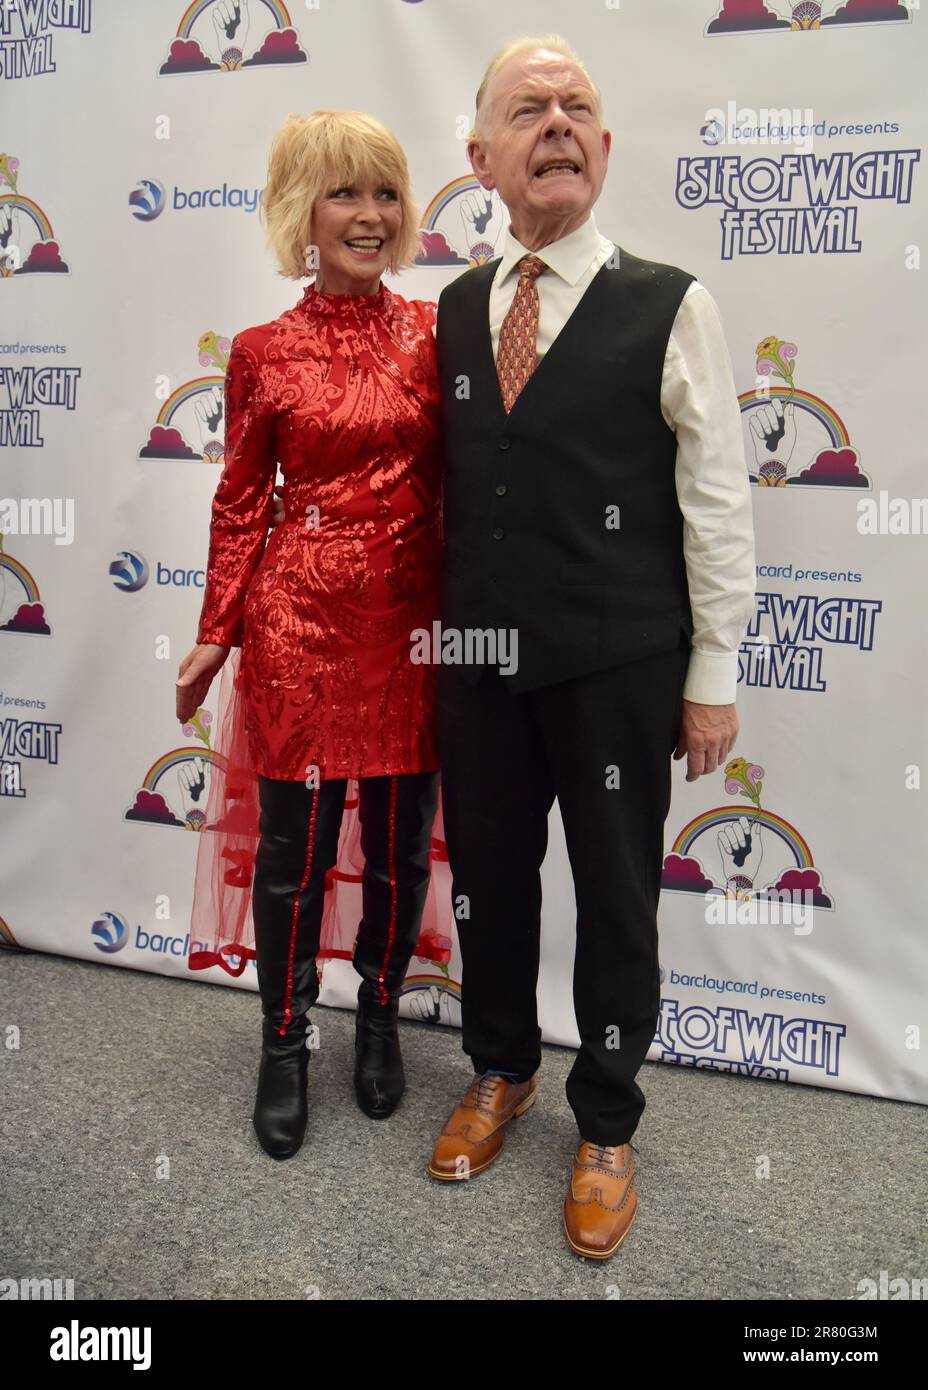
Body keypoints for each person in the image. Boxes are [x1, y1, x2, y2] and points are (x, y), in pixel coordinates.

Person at [425, 35, 756, 1261]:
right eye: (528, 109)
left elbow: (717, 498)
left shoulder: (673, 304)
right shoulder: (456, 306)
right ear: (482, 157)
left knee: (617, 896)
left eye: (577, 108)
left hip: (618, 663)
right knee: (488, 881)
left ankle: (606, 1121)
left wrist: (711, 675)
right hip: (478, 664)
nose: (556, 124)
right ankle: (500, 1067)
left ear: (606, 149)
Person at [175, 109, 446, 1160]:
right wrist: (215, 630)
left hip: (412, 625)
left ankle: (376, 1021)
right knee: (289, 854)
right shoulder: (258, 353)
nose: (369, 215)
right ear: (302, 210)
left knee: (394, 850)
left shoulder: (435, 332)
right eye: (344, 192)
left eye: (384, 192)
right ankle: (283, 1042)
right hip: (294, 620)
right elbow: (242, 501)